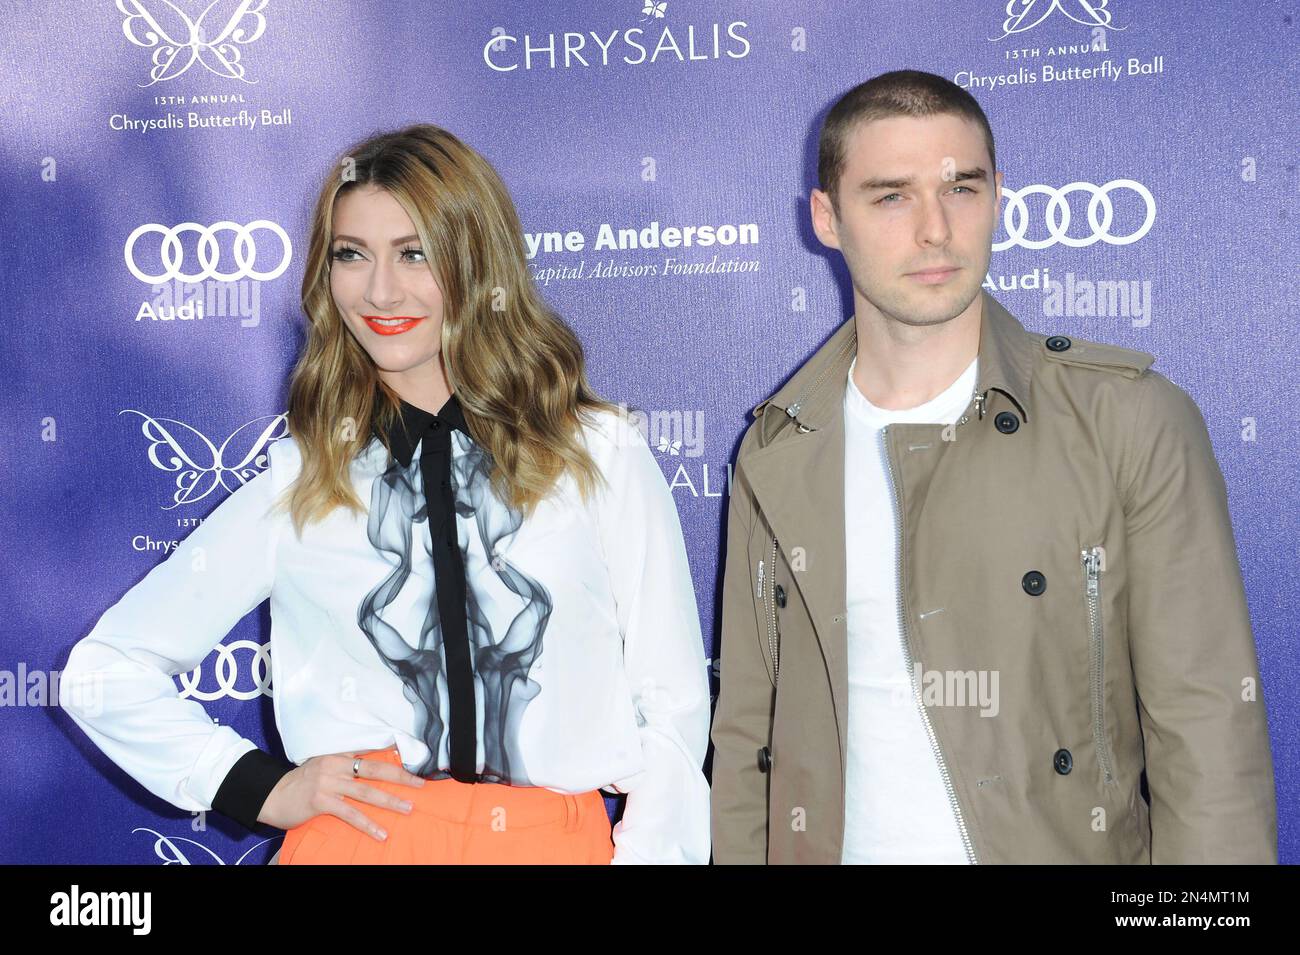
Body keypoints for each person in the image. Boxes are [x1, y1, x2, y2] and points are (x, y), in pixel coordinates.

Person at [60, 124, 711, 865]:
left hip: (553, 842)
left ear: (477, 260)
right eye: (351, 255)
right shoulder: (304, 477)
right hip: (359, 843)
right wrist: (261, 788)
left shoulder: (599, 452)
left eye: (414, 253)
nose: (380, 290)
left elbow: (673, 707)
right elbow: (105, 670)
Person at [708, 70, 1277, 864]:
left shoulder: (1128, 420)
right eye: (891, 196)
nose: (936, 230)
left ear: (999, 197)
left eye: (961, 189)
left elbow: (1208, 731)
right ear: (827, 219)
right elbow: (748, 739)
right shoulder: (777, 448)